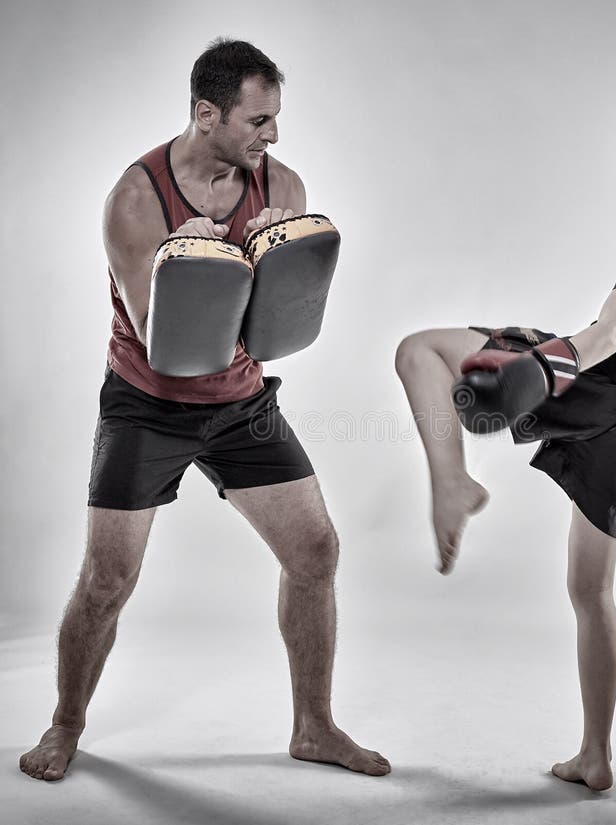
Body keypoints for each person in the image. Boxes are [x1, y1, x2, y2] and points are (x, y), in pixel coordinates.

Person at [20, 38, 389, 781]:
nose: (273, 135)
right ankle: (65, 725)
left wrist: (273, 261)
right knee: (106, 579)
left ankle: (313, 726)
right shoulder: (135, 199)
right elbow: (167, 345)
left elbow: (277, 335)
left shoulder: (279, 180)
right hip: (147, 405)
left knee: (315, 551)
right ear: (206, 113)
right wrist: (189, 261)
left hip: (240, 403)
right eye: (258, 120)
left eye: (276, 118)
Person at [394, 117, 616, 791]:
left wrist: (539, 367)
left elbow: (613, 330)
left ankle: (452, 482)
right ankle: (596, 756)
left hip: (591, 389)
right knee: (591, 592)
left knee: (419, 349)